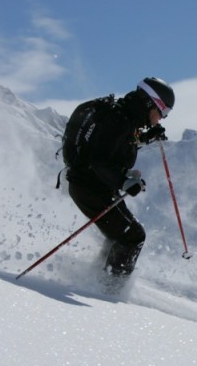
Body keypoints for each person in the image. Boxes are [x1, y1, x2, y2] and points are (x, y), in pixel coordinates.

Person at [63, 77, 175, 277]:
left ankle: (99, 278)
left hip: (94, 186)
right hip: (89, 188)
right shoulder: (119, 120)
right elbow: (98, 160)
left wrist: (147, 138)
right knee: (133, 236)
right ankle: (109, 287)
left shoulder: (126, 118)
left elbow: (118, 145)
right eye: (163, 111)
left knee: (122, 235)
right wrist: (124, 181)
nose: (162, 118)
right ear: (151, 102)